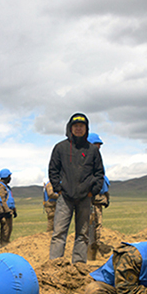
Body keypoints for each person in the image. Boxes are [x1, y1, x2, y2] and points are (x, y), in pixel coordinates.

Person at [48, 113, 105, 264]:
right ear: (70, 128)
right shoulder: (60, 148)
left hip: (85, 198)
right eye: (76, 126)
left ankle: (79, 265)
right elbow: (53, 170)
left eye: (81, 126)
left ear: (86, 129)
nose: (78, 129)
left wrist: (93, 191)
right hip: (65, 198)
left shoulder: (92, 150)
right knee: (59, 233)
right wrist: (59, 189)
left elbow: (99, 173)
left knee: (83, 234)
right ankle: (55, 265)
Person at [86, 134, 110, 261]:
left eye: (99, 145)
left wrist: (106, 197)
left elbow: (102, 180)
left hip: (98, 199)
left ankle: (95, 251)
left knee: (97, 225)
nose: (99, 147)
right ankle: (89, 254)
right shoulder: (86, 160)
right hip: (90, 199)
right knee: (89, 226)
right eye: (96, 144)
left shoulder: (98, 160)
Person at [0, 169, 17, 247]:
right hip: (5, 212)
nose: (10, 178)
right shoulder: (0, 187)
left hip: (9, 211)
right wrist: (7, 211)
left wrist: (14, 210)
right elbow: (2, 200)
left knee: (9, 229)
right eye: (9, 176)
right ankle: (3, 244)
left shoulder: (7, 187)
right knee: (5, 229)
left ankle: (6, 242)